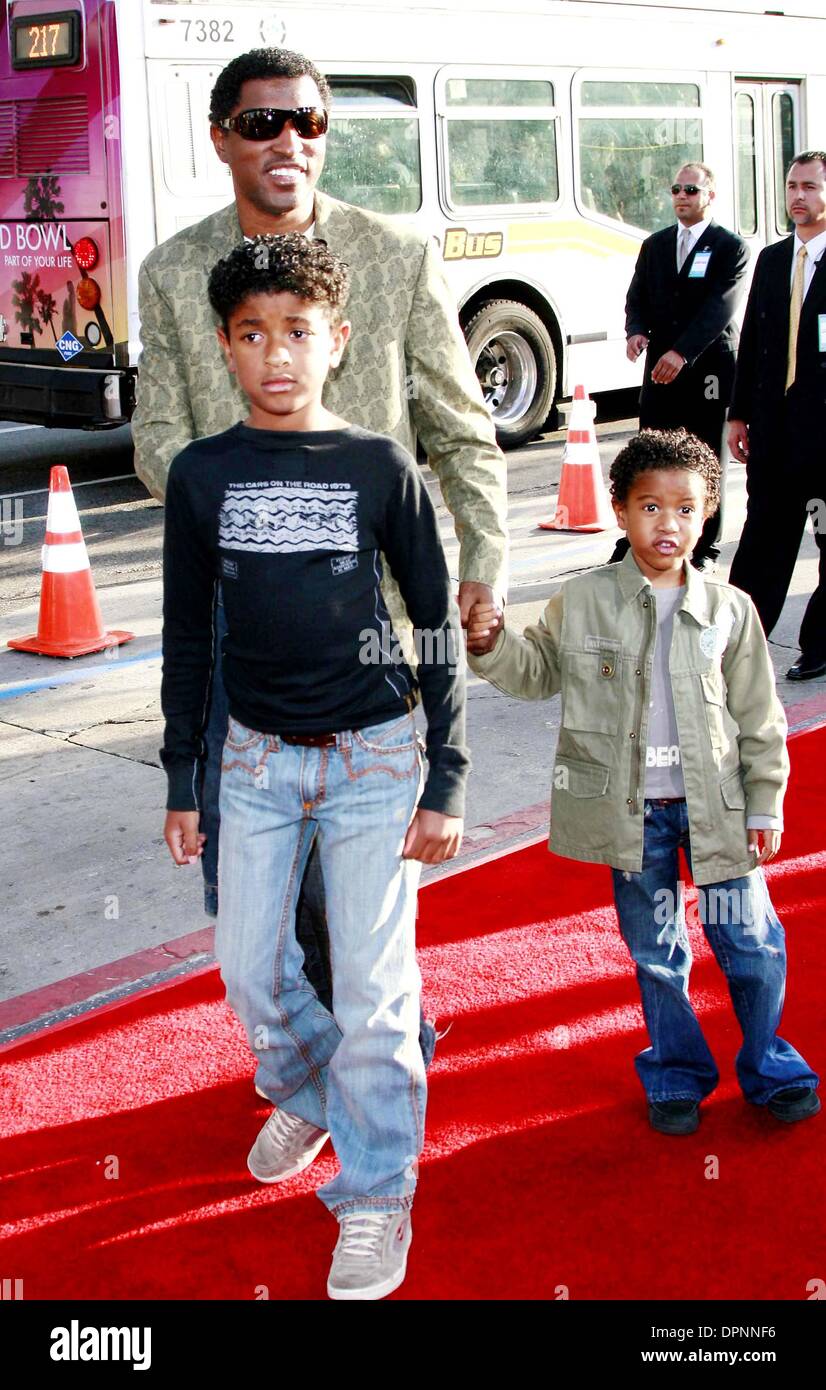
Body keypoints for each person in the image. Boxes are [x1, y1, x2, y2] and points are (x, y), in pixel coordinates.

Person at [131, 46, 507, 1030]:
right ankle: (330, 1041)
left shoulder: (393, 258)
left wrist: (483, 566)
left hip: (373, 629)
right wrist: (253, 506)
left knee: (363, 869)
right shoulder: (176, 275)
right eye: (261, 123)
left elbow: (463, 427)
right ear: (221, 139)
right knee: (255, 883)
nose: (287, 140)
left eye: (307, 121)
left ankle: (382, 1042)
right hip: (237, 629)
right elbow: (158, 438)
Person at [160, 234, 468, 1299]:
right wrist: (179, 776)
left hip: (375, 760)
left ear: (336, 340)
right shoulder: (202, 476)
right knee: (248, 970)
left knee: (379, 995)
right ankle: (315, 1083)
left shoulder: (379, 465)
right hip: (250, 762)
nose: (275, 354)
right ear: (224, 348)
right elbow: (188, 636)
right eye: (252, 335)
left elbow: (431, 624)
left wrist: (448, 776)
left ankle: (377, 1194)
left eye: (296, 331)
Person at [467, 429, 819, 1136]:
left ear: (708, 514)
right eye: (651, 508)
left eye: (687, 509)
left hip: (717, 807)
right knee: (657, 954)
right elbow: (535, 672)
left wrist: (766, 801)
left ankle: (770, 1064)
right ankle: (677, 1074)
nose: (670, 524)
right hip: (633, 816)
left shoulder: (732, 610)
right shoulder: (583, 602)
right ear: (622, 513)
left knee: (751, 945)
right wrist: (488, 643)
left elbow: (760, 718)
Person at [611, 163, 749, 569]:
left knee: (704, 458)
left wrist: (683, 353)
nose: (681, 196)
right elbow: (636, 297)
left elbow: (718, 308)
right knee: (650, 451)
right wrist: (635, 331)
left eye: (691, 189)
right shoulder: (655, 245)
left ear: (710, 195)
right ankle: (640, 540)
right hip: (660, 371)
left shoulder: (730, 247)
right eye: (676, 189)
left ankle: (704, 546)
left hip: (706, 369)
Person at [728, 150, 826, 682]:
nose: (798, 197)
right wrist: (739, 414)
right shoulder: (771, 259)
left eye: (810, 186)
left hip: (825, 435)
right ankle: (740, 645)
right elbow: (753, 346)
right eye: (792, 185)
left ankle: (819, 643)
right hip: (774, 431)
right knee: (764, 539)